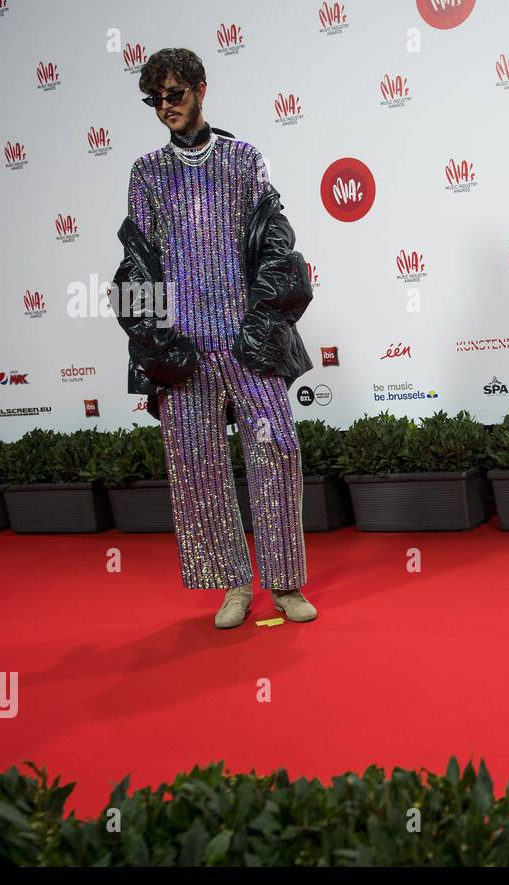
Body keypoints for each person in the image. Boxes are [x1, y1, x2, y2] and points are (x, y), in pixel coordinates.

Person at [110, 47, 318, 629]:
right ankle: (232, 585)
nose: (165, 109)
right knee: (197, 465)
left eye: (174, 95)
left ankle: (285, 583)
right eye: (155, 101)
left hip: (247, 338)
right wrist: (156, 342)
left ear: (202, 89)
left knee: (276, 450)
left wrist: (262, 320)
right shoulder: (146, 173)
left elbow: (278, 246)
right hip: (184, 349)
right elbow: (137, 263)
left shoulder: (245, 160)